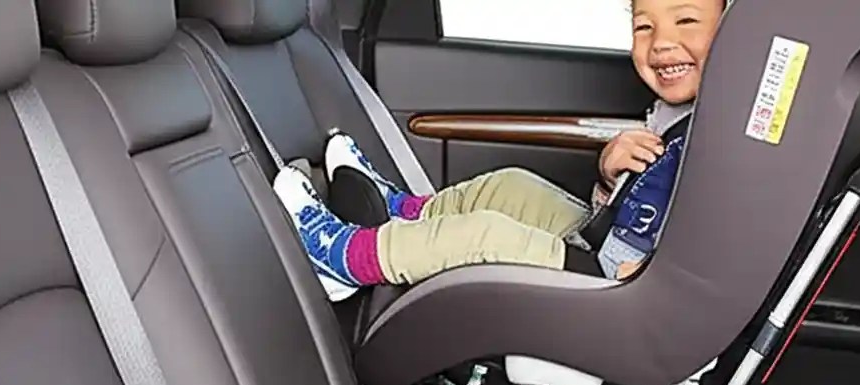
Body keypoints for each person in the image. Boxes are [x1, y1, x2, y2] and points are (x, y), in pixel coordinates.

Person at [274, 0, 723, 295]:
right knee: (512, 187)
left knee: (484, 234)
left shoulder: (737, 140)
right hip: (612, 250)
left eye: (686, 20)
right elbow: (641, 209)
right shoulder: (681, 114)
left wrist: (659, 283)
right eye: (643, 26)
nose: (661, 42)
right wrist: (609, 181)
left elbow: (717, 254)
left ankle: (345, 261)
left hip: (626, 291)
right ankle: (407, 213)